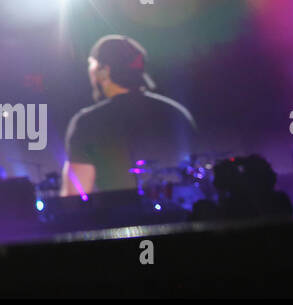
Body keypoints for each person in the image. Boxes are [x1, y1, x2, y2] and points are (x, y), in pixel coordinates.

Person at [61, 35, 197, 195]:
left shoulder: (88, 123)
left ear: (104, 70)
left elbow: (75, 197)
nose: (90, 71)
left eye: (91, 64)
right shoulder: (177, 113)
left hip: (121, 218)